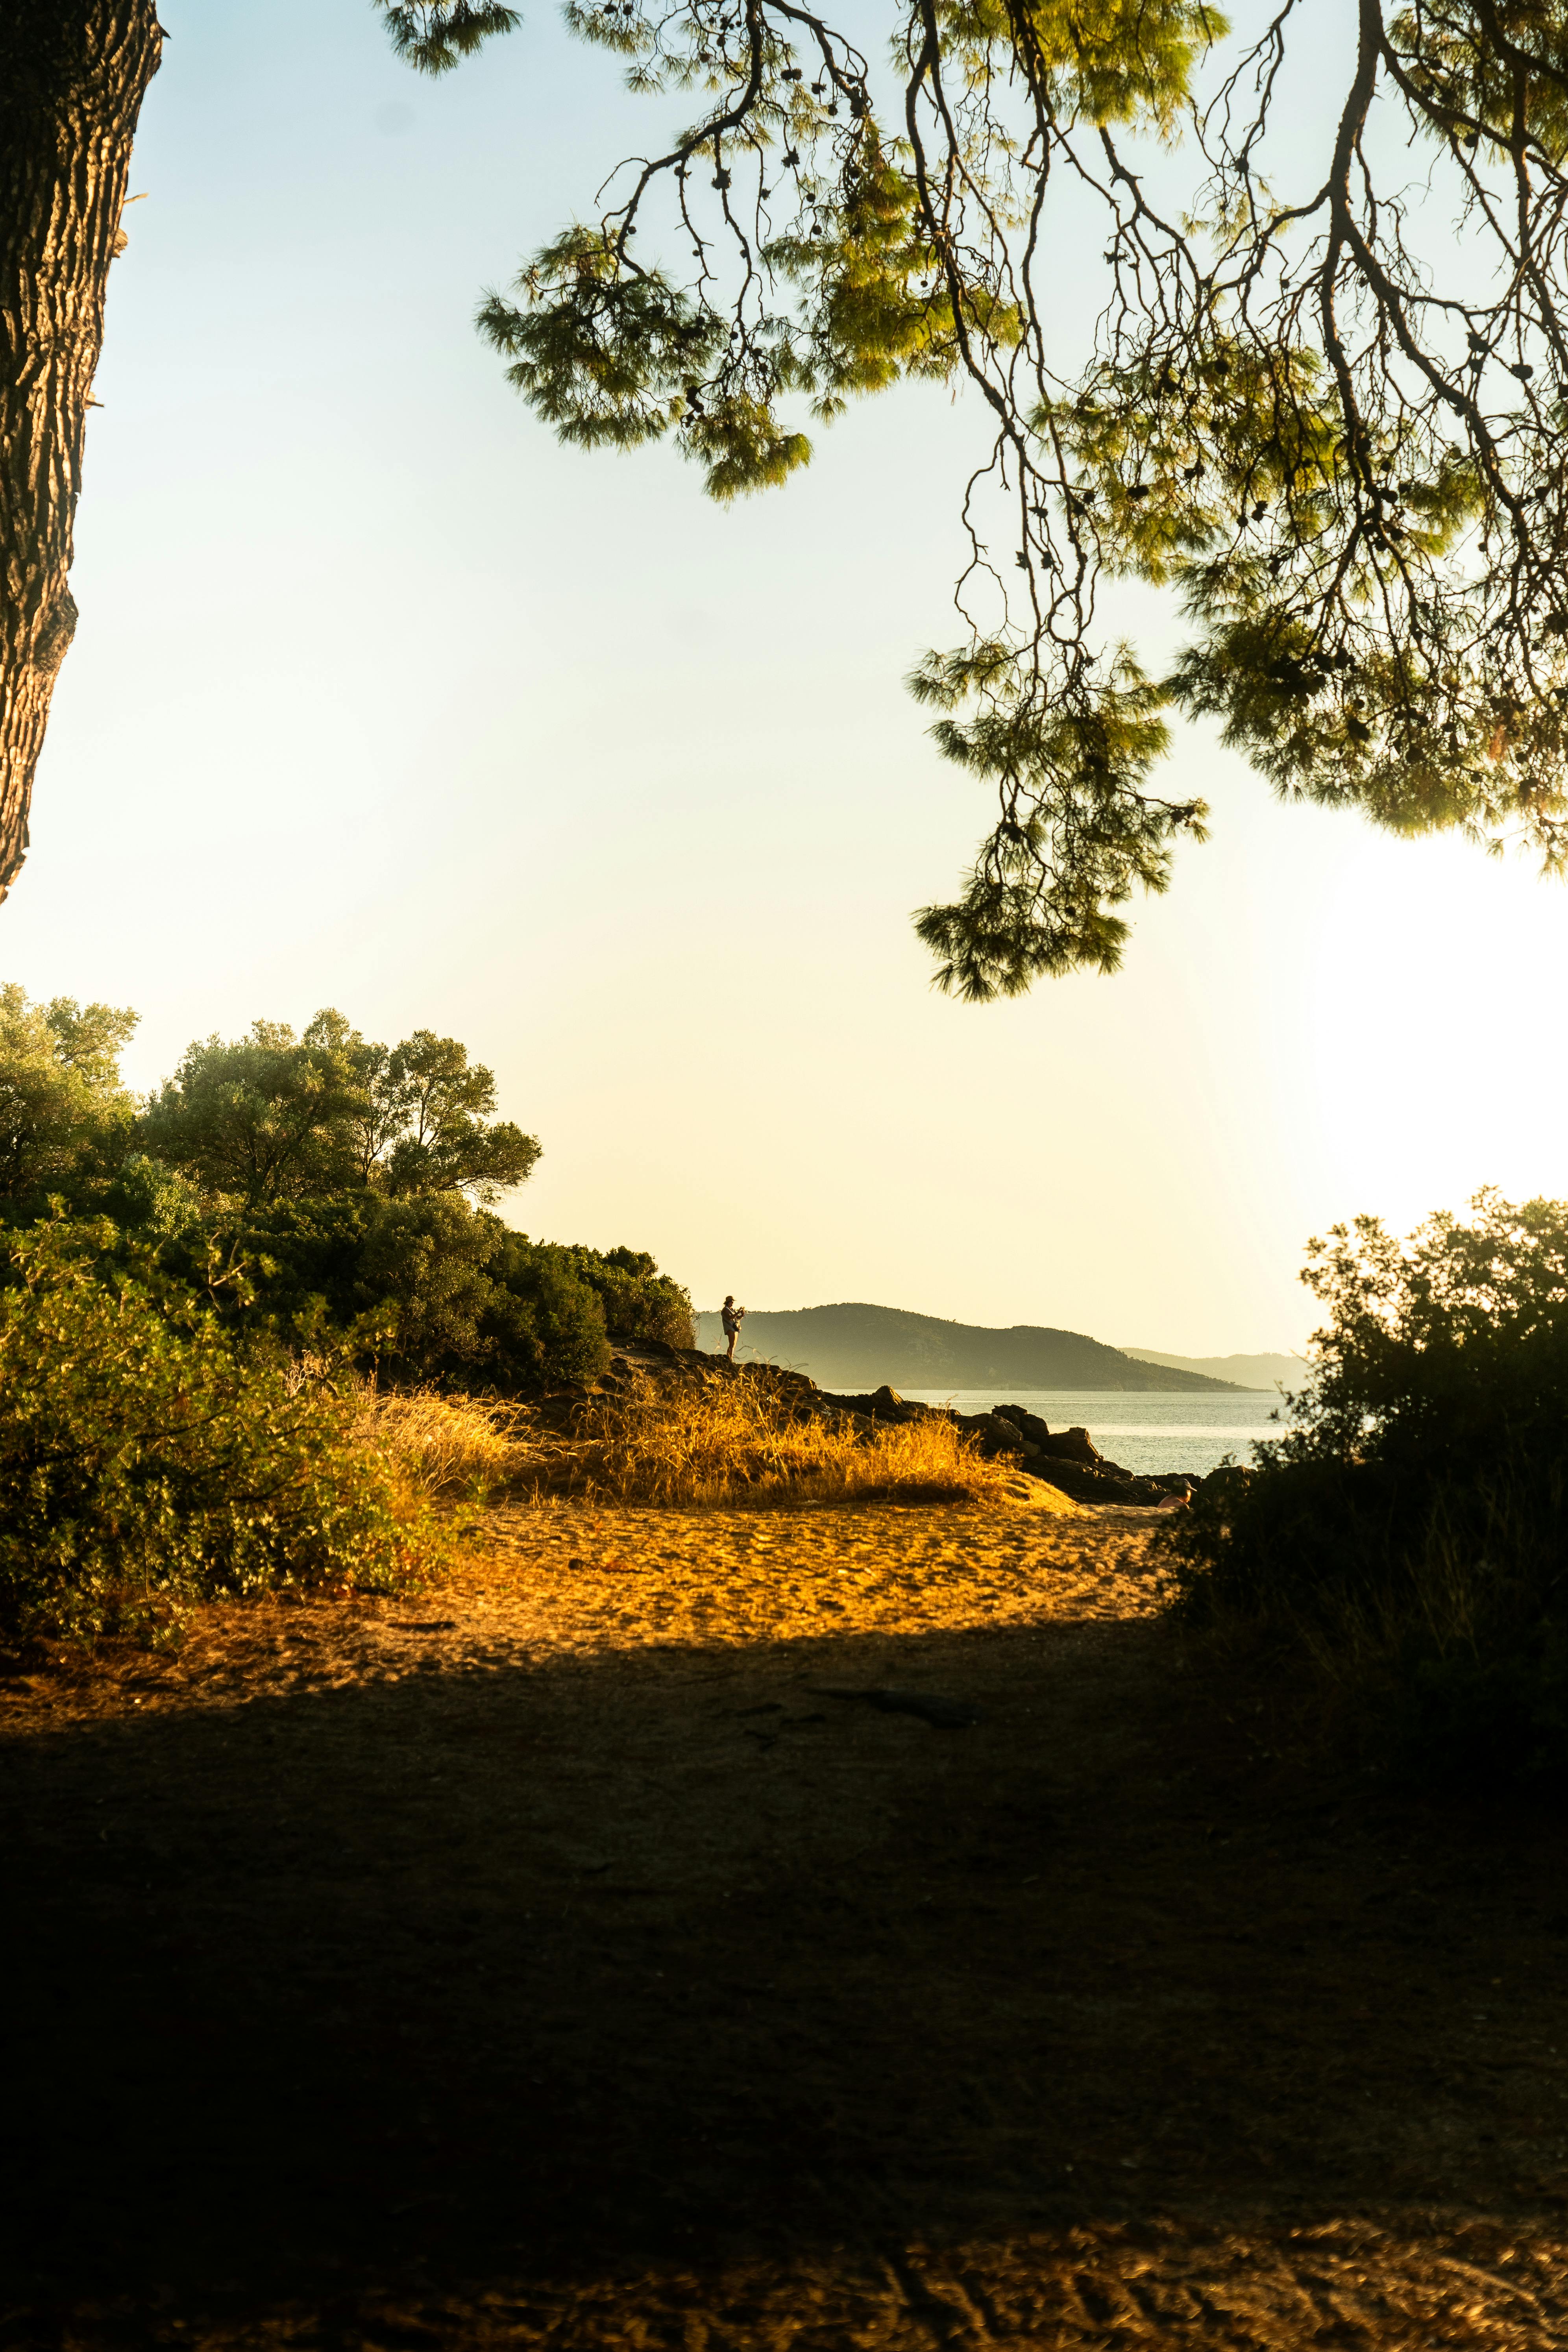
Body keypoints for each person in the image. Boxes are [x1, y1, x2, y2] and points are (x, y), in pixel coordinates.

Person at [721, 1295, 745, 1362]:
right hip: (730, 1328)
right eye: (731, 1301)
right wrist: (738, 1313)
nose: (732, 1303)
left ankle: (730, 1357)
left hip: (734, 1328)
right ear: (728, 1302)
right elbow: (730, 1318)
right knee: (731, 1344)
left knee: (733, 1345)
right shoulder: (725, 1310)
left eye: (733, 1301)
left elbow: (736, 1319)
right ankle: (729, 1358)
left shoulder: (732, 1310)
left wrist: (742, 1315)